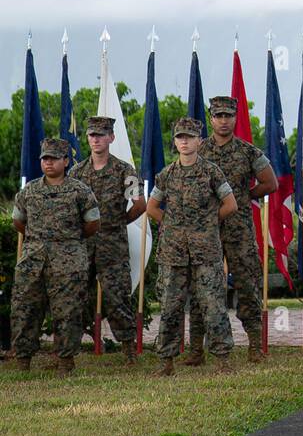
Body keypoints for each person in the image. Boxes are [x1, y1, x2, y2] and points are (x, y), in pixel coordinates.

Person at [186, 96, 277, 365]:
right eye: (218, 116)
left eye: (228, 116)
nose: (223, 121)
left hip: (238, 229)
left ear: (235, 118)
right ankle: (196, 350)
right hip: (206, 230)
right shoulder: (198, 152)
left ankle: (255, 346)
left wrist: (243, 196)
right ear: (210, 119)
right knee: (202, 286)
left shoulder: (248, 152)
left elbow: (269, 183)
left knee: (247, 284)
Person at [145, 117, 238, 377]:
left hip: (205, 251)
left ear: (199, 140)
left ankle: (222, 361)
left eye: (189, 137)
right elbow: (152, 208)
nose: (184, 141)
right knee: (170, 307)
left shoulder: (211, 172)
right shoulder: (166, 175)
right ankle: (166, 363)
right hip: (173, 253)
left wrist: (207, 223)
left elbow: (230, 204)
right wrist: (173, 225)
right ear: (174, 142)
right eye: (179, 137)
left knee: (213, 305)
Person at [11, 138, 100, 374]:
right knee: (25, 309)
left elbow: (92, 224)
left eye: (53, 158)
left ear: (65, 161)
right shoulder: (29, 191)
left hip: (69, 262)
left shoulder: (80, 191)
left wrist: (68, 240)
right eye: (44, 159)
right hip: (33, 261)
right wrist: (38, 241)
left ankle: (65, 361)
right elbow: (19, 222)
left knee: (68, 312)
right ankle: (23, 360)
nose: (48, 163)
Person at [69, 115, 146, 365]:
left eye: (101, 135)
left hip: (113, 246)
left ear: (111, 138)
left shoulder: (125, 170)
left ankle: (129, 352)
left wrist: (119, 222)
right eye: (92, 135)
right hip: (83, 245)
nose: (96, 139)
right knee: (73, 296)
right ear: (88, 138)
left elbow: (140, 205)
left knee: (118, 298)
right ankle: (67, 353)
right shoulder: (76, 172)